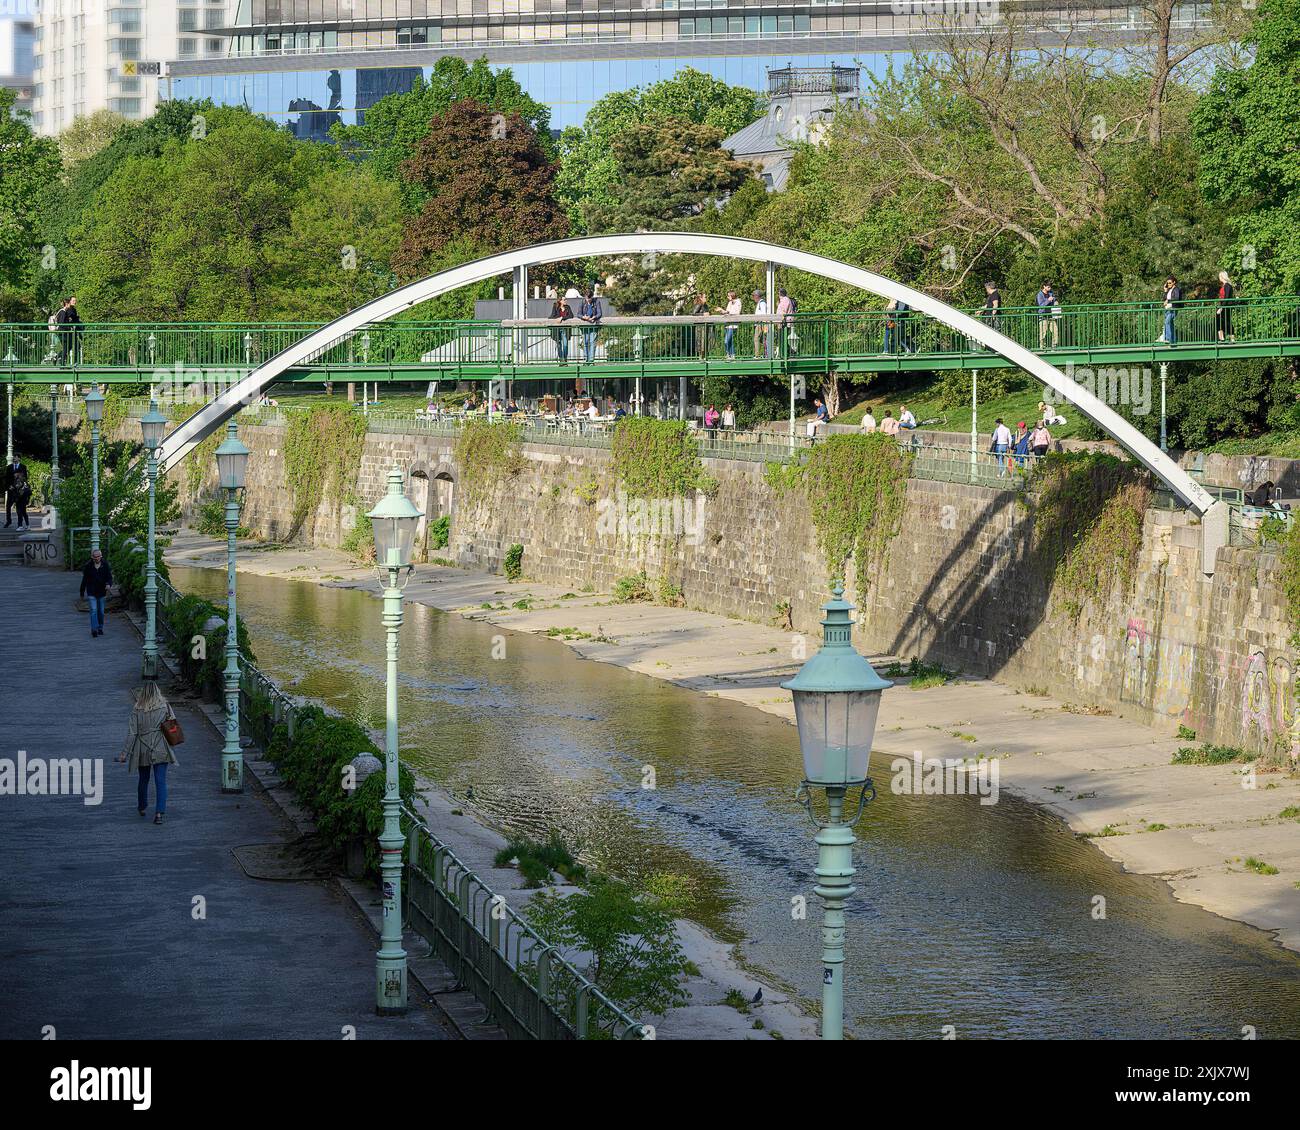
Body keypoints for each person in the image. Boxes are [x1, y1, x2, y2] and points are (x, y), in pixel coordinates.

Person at [121, 683, 178, 824]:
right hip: (160, 746)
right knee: (161, 781)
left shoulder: (137, 709)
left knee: (143, 779)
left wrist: (125, 753)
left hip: (142, 748)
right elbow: (173, 723)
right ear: (157, 691)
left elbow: (132, 733)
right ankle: (159, 813)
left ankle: (142, 805)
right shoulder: (165, 706)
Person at [80, 548, 114, 638]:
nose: (97, 558)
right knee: (94, 610)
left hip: (102, 591)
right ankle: (94, 629)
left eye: (98, 556)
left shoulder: (105, 565)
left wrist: (108, 584)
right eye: (95, 557)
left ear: (101, 556)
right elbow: (84, 579)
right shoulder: (88, 566)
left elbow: (109, 577)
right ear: (92, 557)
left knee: (101, 612)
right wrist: (82, 592)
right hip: (91, 591)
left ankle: (100, 627)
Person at [4, 455, 30, 530]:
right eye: (13, 457)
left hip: (20, 491)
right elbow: (7, 478)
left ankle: (22, 525)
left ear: (19, 458)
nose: (14, 458)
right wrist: (8, 487)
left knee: (21, 509)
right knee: (8, 506)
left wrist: (21, 486)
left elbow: (25, 479)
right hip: (11, 490)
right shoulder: (9, 467)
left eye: (15, 457)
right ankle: (9, 521)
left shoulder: (23, 467)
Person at [579, 286, 602, 363]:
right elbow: (578, 314)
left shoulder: (596, 301)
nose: (588, 300)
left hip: (593, 324)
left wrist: (594, 317)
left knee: (592, 342)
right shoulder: (582, 302)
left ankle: (591, 360)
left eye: (589, 298)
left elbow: (599, 313)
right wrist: (584, 317)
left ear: (592, 297)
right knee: (585, 342)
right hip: (584, 325)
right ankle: (586, 360)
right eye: (586, 298)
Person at [57, 295, 83, 365]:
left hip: (70, 331)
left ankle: (59, 358)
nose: (75, 302)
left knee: (70, 346)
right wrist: (71, 327)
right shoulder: (66, 310)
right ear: (69, 302)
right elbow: (64, 322)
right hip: (67, 331)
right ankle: (66, 362)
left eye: (75, 301)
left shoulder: (73, 309)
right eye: (73, 301)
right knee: (70, 346)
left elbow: (74, 320)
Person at [550, 296, 573, 362]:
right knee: (559, 344)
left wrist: (562, 318)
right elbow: (552, 316)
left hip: (565, 329)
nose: (566, 301)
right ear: (560, 301)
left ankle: (565, 359)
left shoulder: (567, 307)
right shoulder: (555, 306)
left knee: (565, 344)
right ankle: (561, 360)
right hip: (557, 329)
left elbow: (571, 315)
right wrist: (559, 318)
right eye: (564, 300)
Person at [1159, 276, 1181, 345]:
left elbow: (1176, 298)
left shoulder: (1176, 289)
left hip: (1173, 309)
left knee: (1167, 322)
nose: (1169, 284)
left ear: (1174, 282)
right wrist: (1165, 291)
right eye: (1167, 283)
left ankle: (1168, 339)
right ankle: (1173, 341)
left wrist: (1168, 300)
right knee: (1170, 323)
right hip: (1167, 310)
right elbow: (1164, 299)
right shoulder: (1169, 290)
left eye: (1170, 283)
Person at [1037, 284, 1059, 349]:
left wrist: (1055, 302)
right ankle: (1042, 347)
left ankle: (1054, 345)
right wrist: (1048, 300)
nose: (1049, 288)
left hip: (1051, 316)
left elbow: (1054, 300)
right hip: (1043, 316)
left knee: (1055, 331)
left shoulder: (1051, 293)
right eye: (1048, 287)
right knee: (1043, 333)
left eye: (1050, 287)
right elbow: (1041, 306)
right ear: (1044, 286)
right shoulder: (1039, 295)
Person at [1215, 271, 1235, 342]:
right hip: (1224, 306)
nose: (1219, 278)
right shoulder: (1225, 285)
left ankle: (1231, 339)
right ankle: (1222, 338)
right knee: (1220, 321)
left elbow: (1226, 297)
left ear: (1222, 277)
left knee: (1227, 322)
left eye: (1220, 276)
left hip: (1226, 307)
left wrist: (1221, 308)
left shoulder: (1227, 285)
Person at [722, 291, 742, 360]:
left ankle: (730, 354)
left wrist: (728, 312)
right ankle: (730, 355)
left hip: (733, 324)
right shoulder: (730, 303)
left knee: (726, 340)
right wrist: (722, 311)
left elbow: (737, 312)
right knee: (729, 340)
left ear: (732, 296)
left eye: (728, 296)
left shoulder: (738, 302)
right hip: (728, 324)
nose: (727, 297)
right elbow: (727, 311)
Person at [777, 288, 796, 353]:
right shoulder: (784, 300)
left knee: (782, 338)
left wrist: (779, 320)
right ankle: (788, 351)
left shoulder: (785, 300)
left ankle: (788, 352)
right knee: (782, 338)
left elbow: (783, 312)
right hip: (783, 322)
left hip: (784, 322)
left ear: (780, 294)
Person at [692, 293, 711, 359]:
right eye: (705, 297)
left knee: (705, 341)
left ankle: (704, 357)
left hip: (705, 325)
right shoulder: (699, 304)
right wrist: (703, 314)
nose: (706, 298)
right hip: (700, 326)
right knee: (700, 341)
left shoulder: (705, 305)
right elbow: (694, 313)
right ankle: (701, 357)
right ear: (701, 298)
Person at [752, 290, 769, 358]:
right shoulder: (760, 303)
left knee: (757, 338)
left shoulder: (762, 303)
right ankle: (765, 353)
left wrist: (763, 324)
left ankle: (757, 355)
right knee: (762, 340)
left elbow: (764, 314)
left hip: (761, 323)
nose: (753, 298)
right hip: (759, 323)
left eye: (754, 296)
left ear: (757, 296)